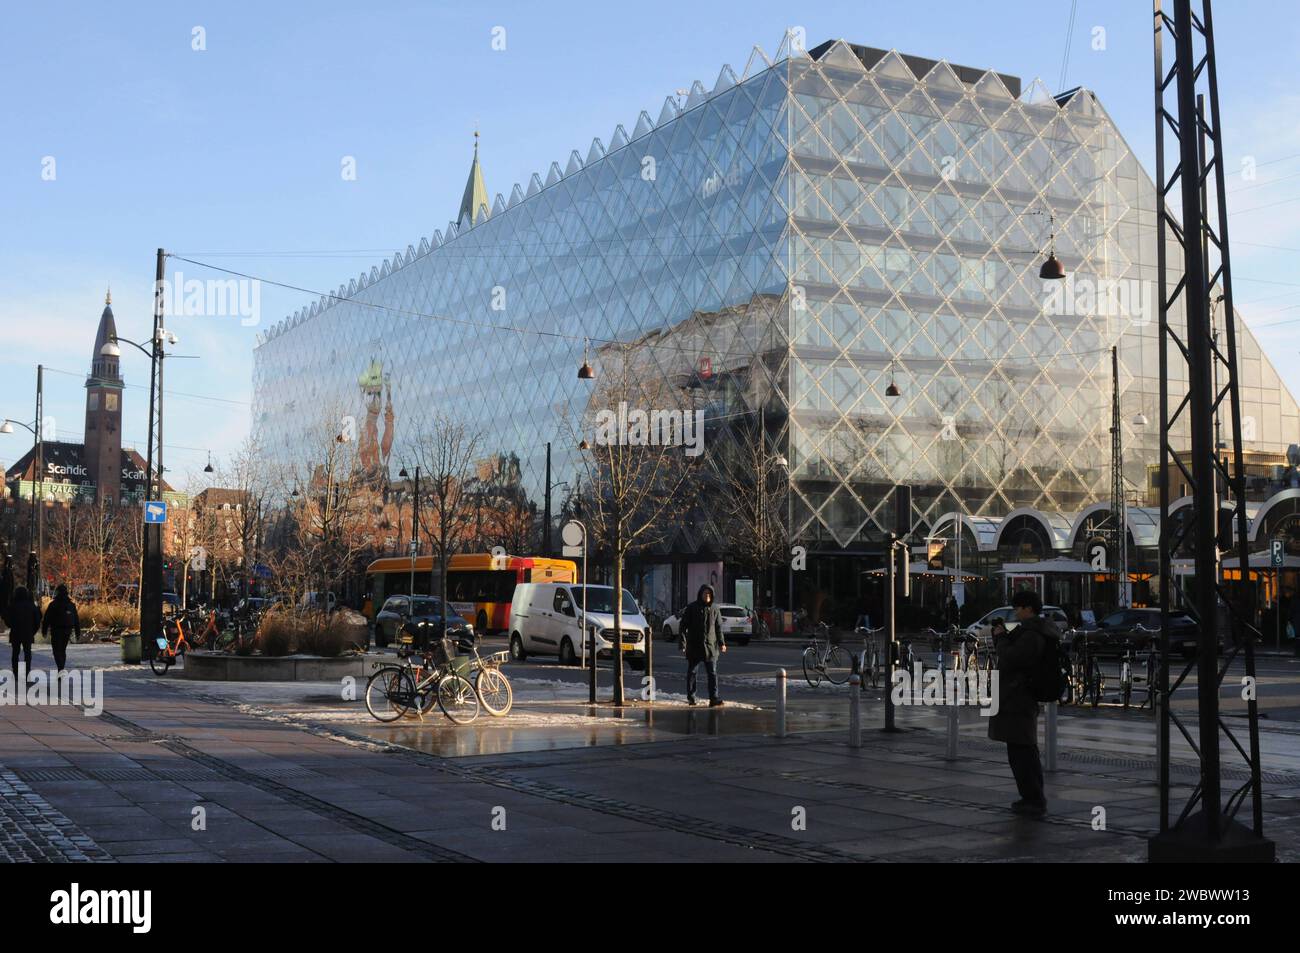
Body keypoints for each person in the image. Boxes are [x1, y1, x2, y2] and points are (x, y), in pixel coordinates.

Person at [988, 589, 1060, 818]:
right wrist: (1003, 636)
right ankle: (1030, 797)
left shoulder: (1032, 633)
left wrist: (1000, 639)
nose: (1015, 612)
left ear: (1029, 608)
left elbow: (1013, 657)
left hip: (1018, 697)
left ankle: (1034, 799)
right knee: (1021, 750)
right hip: (1017, 696)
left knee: (1023, 752)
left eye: (1018, 608)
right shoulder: (1031, 631)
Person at [678, 584, 726, 707]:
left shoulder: (715, 609)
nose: (707, 596)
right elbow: (683, 626)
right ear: (700, 594)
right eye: (705, 593)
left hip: (710, 647)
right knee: (693, 672)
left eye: (709, 594)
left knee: (712, 673)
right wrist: (683, 644)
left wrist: (722, 643)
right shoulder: (692, 608)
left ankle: (713, 698)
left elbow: (718, 628)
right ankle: (692, 697)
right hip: (694, 646)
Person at [2, 585, 41, 682]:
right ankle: (27, 673)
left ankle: (15, 674)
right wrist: (33, 631)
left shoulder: (12, 606)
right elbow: (37, 620)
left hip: (16, 632)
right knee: (27, 653)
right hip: (27, 633)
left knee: (15, 653)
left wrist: (12, 625)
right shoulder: (31, 606)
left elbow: (7, 619)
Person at [41, 584, 82, 674]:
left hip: (56, 630)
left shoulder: (53, 604)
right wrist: (78, 632)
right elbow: (76, 619)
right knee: (63, 650)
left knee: (56, 650)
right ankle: (61, 668)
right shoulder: (71, 605)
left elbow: (47, 618)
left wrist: (44, 631)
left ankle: (60, 668)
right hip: (67, 630)